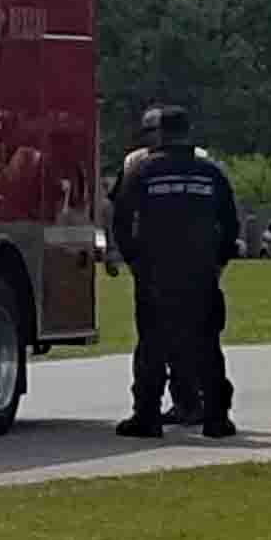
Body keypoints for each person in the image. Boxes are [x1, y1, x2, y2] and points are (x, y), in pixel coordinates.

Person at [110, 104, 238, 440]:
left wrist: (134, 261)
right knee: (206, 345)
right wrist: (218, 262)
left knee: (152, 345)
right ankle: (216, 418)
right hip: (201, 274)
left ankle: (147, 417)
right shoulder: (212, 173)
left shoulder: (141, 172)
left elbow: (121, 221)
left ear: (156, 136)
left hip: (155, 273)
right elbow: (230, 224)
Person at [115, 138, 202, 425]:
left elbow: (120, 213)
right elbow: (225, 217)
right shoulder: (204, 162)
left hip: (153, 264)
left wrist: (130, 257)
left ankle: (147, 411)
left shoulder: (136, 164)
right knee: (190, 336)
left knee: (152, 339)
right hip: (195, 265)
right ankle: (190, 402)